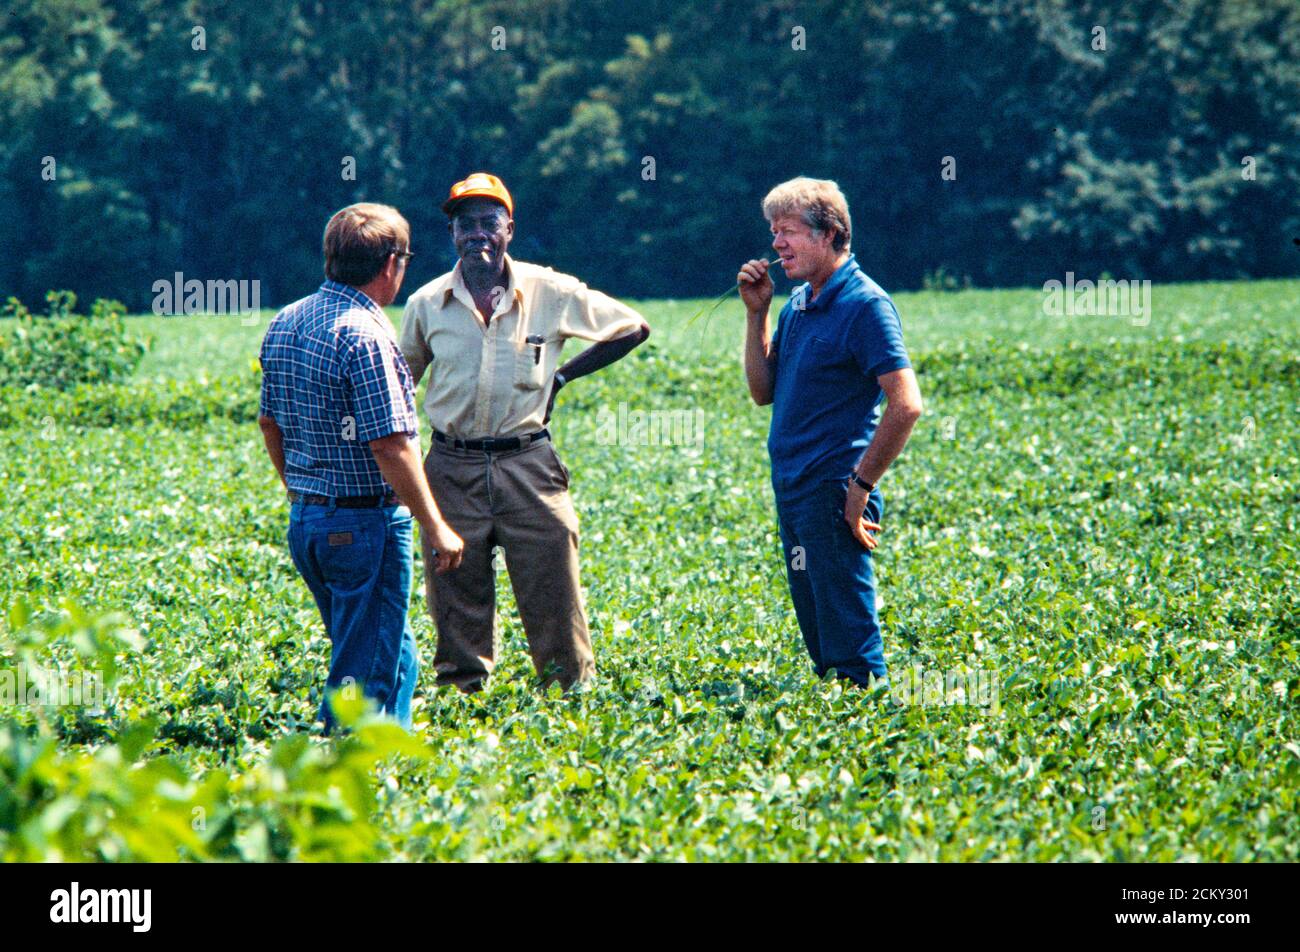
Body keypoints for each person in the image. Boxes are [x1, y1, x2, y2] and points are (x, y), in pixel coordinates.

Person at [399, 173, 650, 692]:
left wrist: (563, 376)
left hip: (528, 463)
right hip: (451, 464)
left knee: (554, 584)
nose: (477, 235)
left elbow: (631, 327)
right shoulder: (427, 303)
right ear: (452, 234)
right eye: (465, 225)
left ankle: (567, 694)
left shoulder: (550, 291)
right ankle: (462, 696)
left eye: (489, 223)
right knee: (454, 588)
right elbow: (403, 379)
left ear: (509, 229)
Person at [257, 202, 464, 732]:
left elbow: (268, 424)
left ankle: (392, 762)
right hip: (364, 525)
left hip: (310, 523)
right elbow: (390, 444)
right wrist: (436, 526)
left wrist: (303, 493)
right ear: (391, 263)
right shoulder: (365, 335)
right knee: (362, 675)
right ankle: (347, 777)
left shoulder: (287, 320)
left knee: (390, 651)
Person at [738, 177, 923, 689]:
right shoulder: (800, 303)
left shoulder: (866, 305)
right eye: (774, 232)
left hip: (833, 492)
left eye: (789, 232)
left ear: (830, 235)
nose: (777, 244)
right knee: (823, 645)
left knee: (853, 656)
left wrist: (858, 490)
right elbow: (762, 390)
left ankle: (873, 746)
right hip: (794, 491)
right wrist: (758, 314)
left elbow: (906, 406)